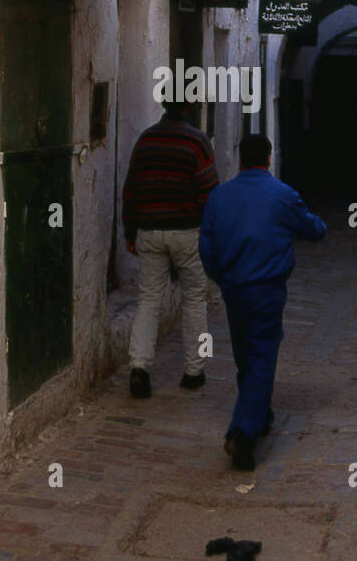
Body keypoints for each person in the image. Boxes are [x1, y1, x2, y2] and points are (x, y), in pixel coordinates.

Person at [199, 133, 326, 471]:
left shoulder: (219, 197)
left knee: (245, 352)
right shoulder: (282, 196)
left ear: (240, 159)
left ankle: (259, 411)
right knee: (262, 355)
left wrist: (220, 277)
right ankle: (242, 432)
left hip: (233, 287)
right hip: (267, 288)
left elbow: (206, 246)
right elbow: (313, 229)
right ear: (269, 159)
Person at [122, 99, 218, 398]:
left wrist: (129, 232)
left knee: (148, 300)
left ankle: (139, 366)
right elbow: (210, 193)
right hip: (187, 232)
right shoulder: (197, 142)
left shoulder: (146, 140)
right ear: (189, 107)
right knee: (195, 299)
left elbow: (130, 190)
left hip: (149, 231)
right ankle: (194, 370)